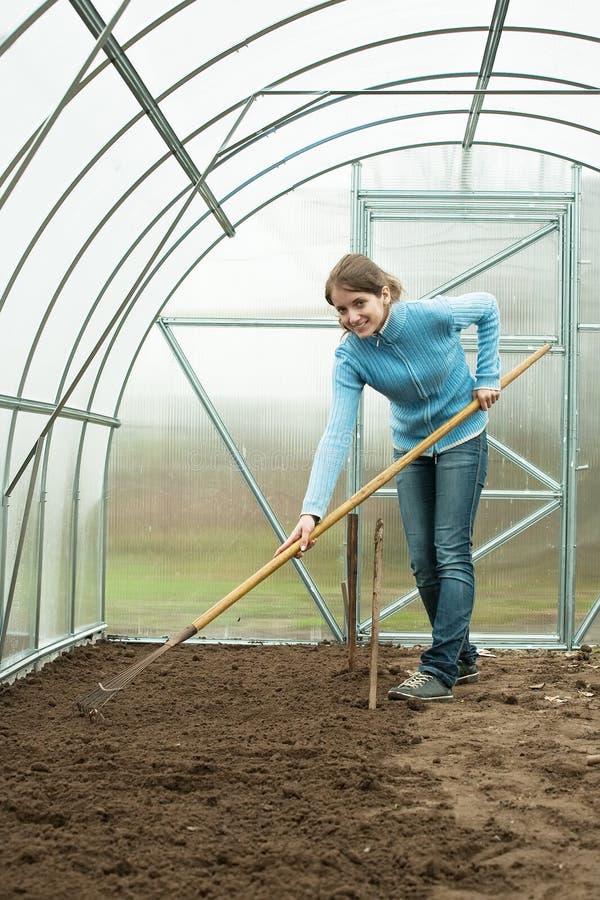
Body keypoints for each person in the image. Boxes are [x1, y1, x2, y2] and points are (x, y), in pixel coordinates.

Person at [275, 253, 501, 703]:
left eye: (358, 304)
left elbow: (488, 306)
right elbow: (337, 432)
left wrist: (487, 375)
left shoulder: (429, 315)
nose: (351, 317)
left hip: (463, 435)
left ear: (384, 295)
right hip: (412, 450)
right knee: (422, 560)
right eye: (341, 310)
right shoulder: (350, 356)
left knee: (450, 549)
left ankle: (439, 669)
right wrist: (311, 511)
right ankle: (461, 655)